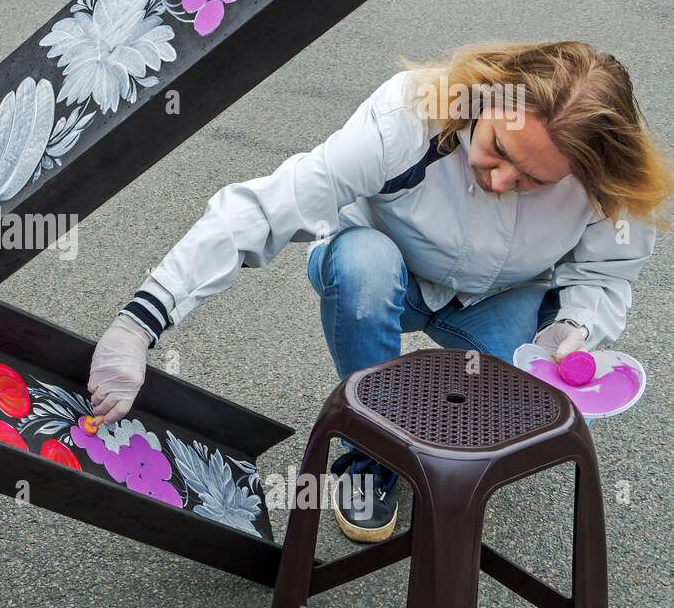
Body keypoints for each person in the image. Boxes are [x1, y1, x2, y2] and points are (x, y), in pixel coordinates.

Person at [87, 41, 673, 542]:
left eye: (532, 181)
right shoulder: (413, 116)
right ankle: (375, 451)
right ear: (490, 97)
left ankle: (450, 446)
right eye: (498, 147)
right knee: (362, 265)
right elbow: (264, 209)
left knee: (543, 414)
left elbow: (605, 274)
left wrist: (576, 327)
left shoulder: (611, 180)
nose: (497, 179)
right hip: (383, 266)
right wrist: (139, 324)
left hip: (505, 294)